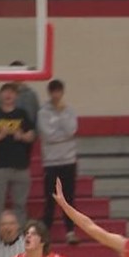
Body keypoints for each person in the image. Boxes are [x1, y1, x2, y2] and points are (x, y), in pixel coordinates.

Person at [0, 83, 36, 233]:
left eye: (12, 92)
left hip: (21, 166)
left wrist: (22, 136)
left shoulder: (22, 114)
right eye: (5, 92)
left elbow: (31, 135)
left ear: (16, 96)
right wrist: (0, 135)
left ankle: (19, 238)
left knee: (20, 205)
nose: (8, 95)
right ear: (0, 95)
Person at [38, 80, 79, 244]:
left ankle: (70, 232)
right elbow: (48, 135)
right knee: (51, 199)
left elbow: (71, 130)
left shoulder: (69, 110)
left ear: (62, 93)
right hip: (51, 162)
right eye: (53, 92)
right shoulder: (43, 113)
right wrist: (62, 134)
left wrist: (61, 115)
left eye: (59, 91)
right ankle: (44, 234)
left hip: (69, 160)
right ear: (50, 93)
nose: (56, 95)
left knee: (69, 198)